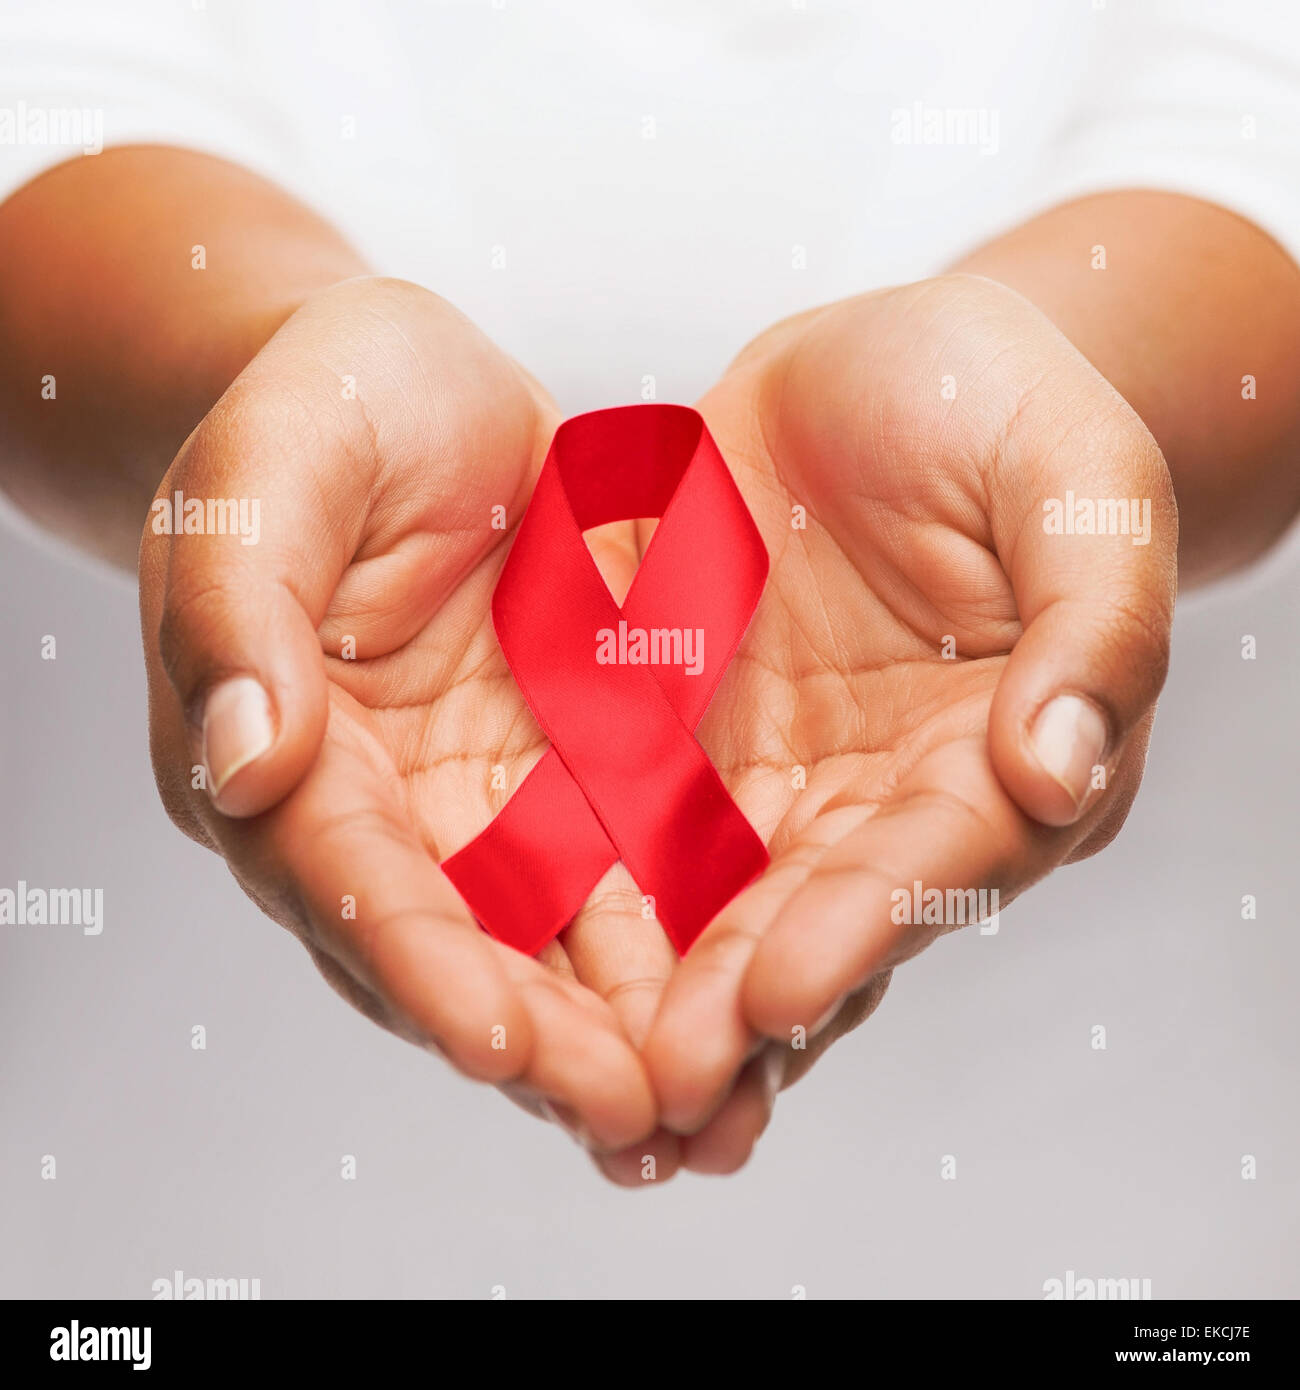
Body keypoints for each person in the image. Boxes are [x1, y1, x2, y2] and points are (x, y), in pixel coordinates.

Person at [2, 0, 1298, 1187]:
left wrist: (1050, 406)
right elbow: (50, 81)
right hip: (181, 1158)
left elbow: (1260, 105)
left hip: (1110, 1147)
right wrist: (264, 390)